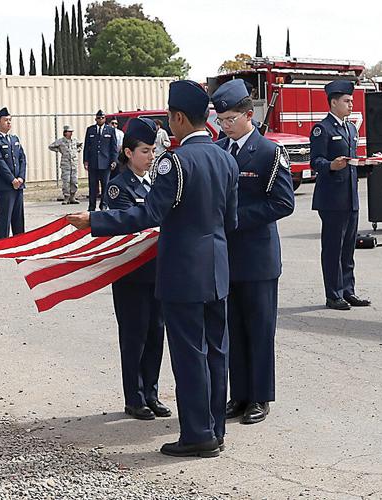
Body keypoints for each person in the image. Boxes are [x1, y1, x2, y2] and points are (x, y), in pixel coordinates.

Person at [65, 80, 238, 458]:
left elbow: (148, 213)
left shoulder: (173, 162)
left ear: (178, 118)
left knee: (189, 353)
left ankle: (197, 434)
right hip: (217, 269)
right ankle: (215, 428)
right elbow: (232, 219)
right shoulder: (226, 158)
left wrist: (95, 221)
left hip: (182, 273)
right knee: (215, 351)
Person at [212, 80, 297, 426]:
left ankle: (260, 396)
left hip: (258, 256)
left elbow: (283, 202)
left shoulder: (268, 152)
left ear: (249, 115)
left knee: (260, 329)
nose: (225, 125)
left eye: (231, 118)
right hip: (226, 256)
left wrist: (236, 218)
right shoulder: (219, 150)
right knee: (233, 328)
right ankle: (240, 394)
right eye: (221, 120)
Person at [103, 117, 170, 421]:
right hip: (132, 275)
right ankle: (134, 396)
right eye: (145, 151)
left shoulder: (155, 183)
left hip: (158, 271)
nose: (151, 157)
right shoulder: (119, 187)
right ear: (128, 153)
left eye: (153, 151)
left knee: (156, 333)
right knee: (135, 335)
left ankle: (152, 393)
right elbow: (128, 224)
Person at [311, 80, 370, 311]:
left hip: (350, 198)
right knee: (333, 248)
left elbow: (352, 162)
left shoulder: (351, 128)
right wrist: (331, 166)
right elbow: (316, 161)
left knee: (348, 248)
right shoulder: (322, 129)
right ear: (333, 102)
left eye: (351, 100)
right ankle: (333, 294)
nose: (350, 104)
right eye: (346, 101)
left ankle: (348, 290)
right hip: (332, 199)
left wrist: (367, 165)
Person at [0, 107, 26, 239]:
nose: (9, 123)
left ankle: (20, 241)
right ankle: (2, 243)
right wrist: (12, 180)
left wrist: (21, 177)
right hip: (5, 185)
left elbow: (22, 158)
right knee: (5, 216)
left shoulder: (14, 139)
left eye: (10, 120)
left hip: (18, 184)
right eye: (5, 120)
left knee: (18, 216)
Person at [84, 111, 118, 210]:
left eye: (102, 118)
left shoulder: (110, 130)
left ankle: (103, 205)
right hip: (93, 163)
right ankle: (91, 206)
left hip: (106, 163)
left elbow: (113, 147)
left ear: (105, 119)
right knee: (93, 186)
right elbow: (87, 147)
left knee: (105, 185)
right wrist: (86, 161)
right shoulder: (90, 130)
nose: (100, 119)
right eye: (98, 118)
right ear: (96, 119)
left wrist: (114, 160)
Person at [48, 125, 83, 205]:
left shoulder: (74, 140)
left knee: (74, 181)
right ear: (65, 132)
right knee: (66, 181)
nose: (70, 133)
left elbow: (80, 145)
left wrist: (78, 150)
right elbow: (51, 146)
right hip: (65, 164)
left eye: (71, 132)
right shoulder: (61, 141)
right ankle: (66, 197)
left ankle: (73, 197)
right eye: (69, 132)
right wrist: (59, 150)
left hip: (74, 164)